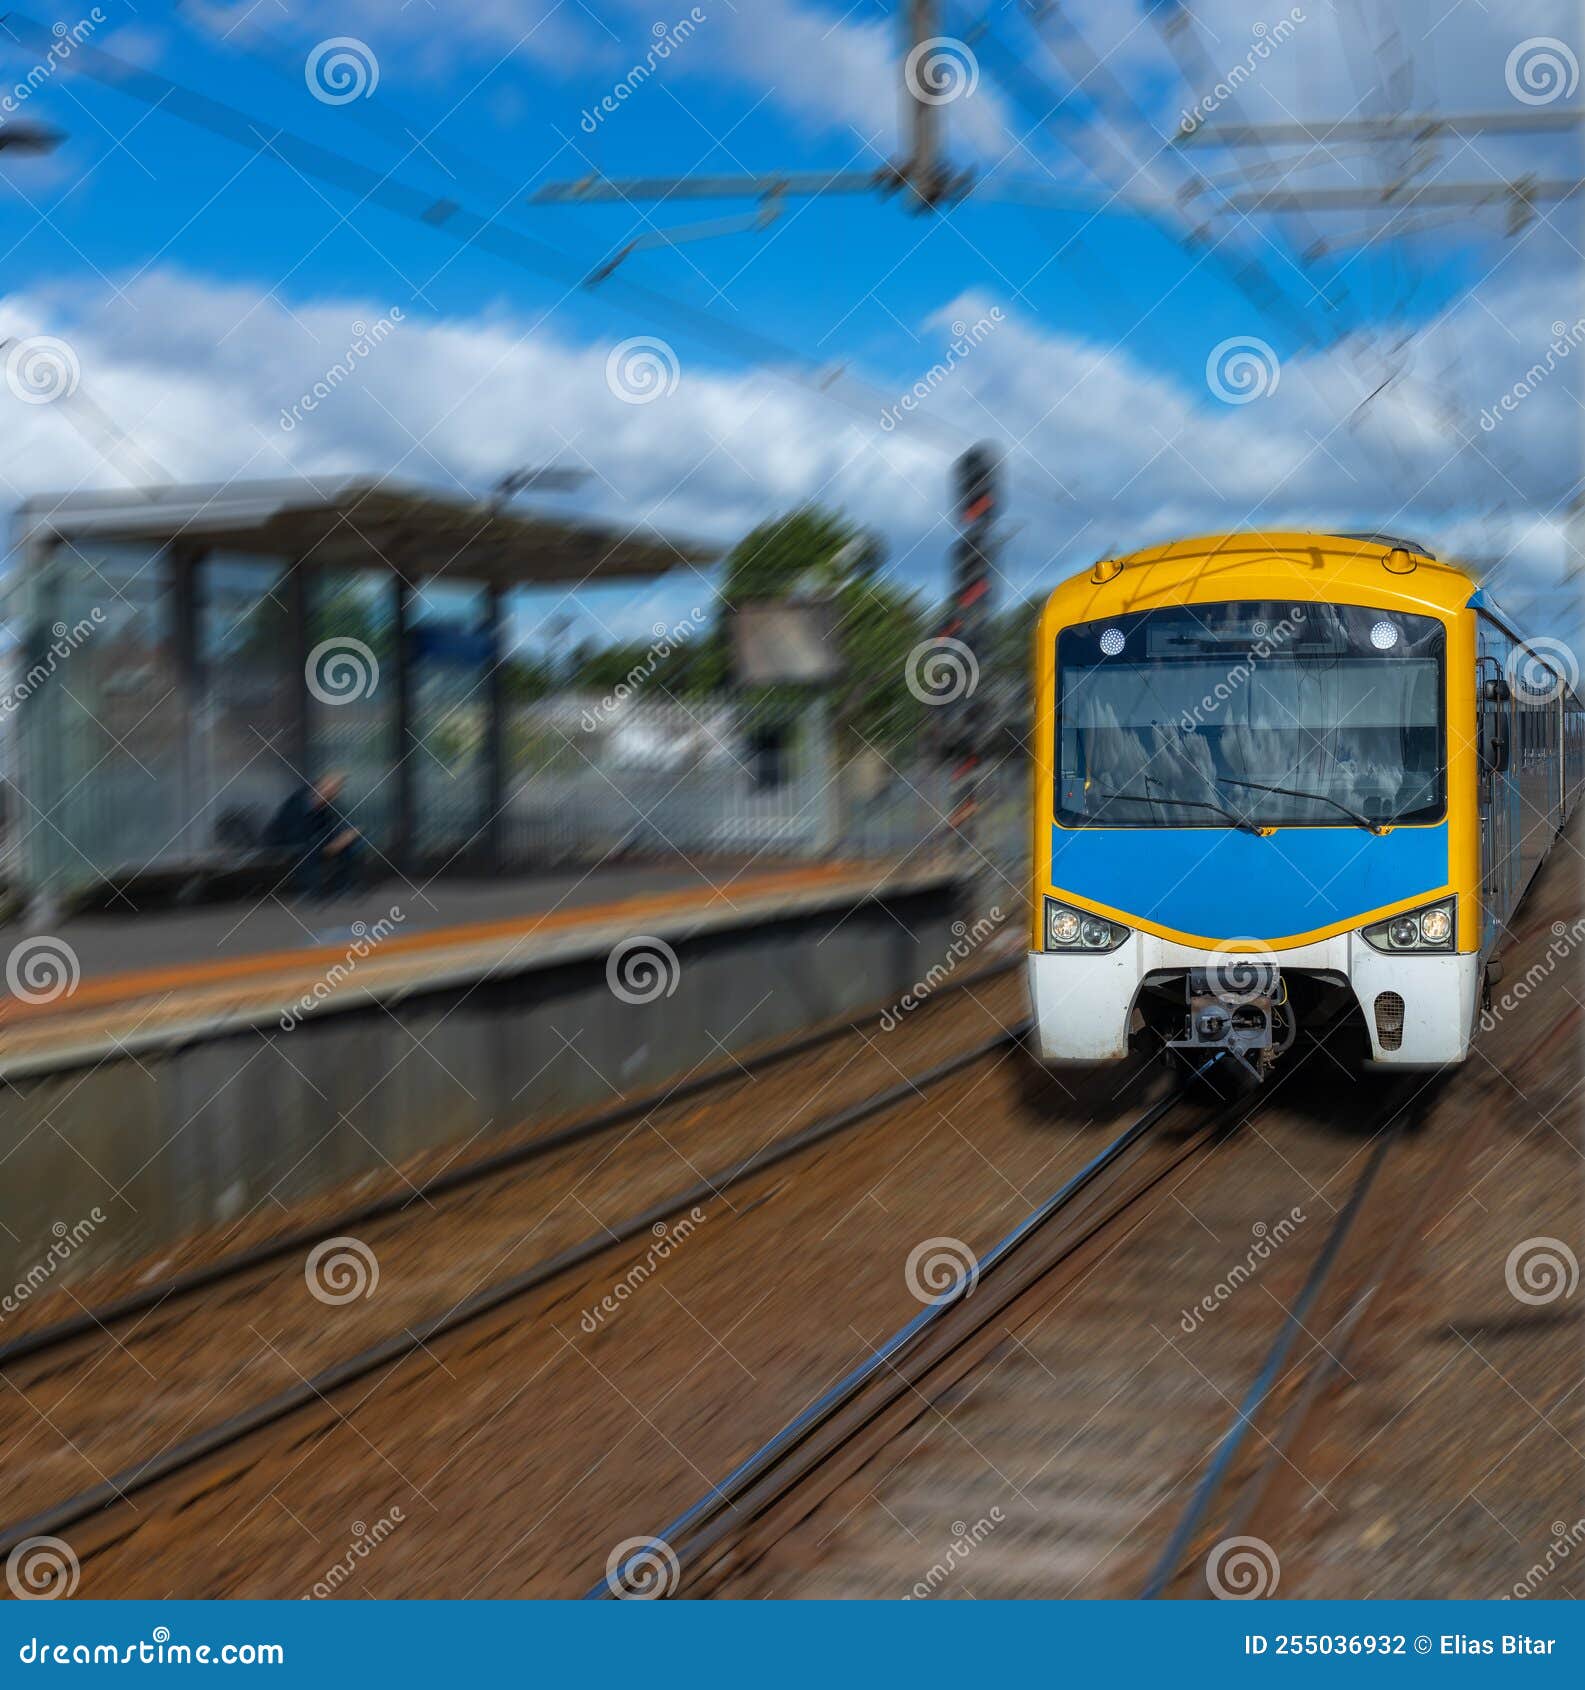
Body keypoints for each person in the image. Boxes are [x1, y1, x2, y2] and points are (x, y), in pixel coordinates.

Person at [266, 772, 364, 900]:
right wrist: (328, 843)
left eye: (335, 790)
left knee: (347, 844)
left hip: (312, 838)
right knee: (310, 847)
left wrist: (344, 836)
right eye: (329, 789)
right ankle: (311, 890)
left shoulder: (326, 804)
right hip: (284, 839)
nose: (332, 794)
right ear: (319, 787)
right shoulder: (298, 802)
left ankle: (342, 886)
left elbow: (333, 826)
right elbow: (296, 834)